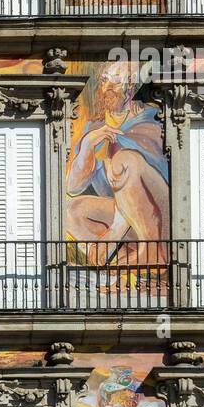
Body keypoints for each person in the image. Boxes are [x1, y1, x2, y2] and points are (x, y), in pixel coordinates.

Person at [66, 63, 169, 265]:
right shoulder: (95, 127)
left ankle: (151, 251)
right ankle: (117, 262)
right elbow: (73, 186)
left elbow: (149, 182)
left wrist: (113, 233)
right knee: (70, 210)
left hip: (157, 214)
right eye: (104, 81)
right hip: (123, 219)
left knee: (125, 160)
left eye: (116, 81)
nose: (107, 88)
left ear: (130, 89)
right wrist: (87, 145)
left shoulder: (150, 121)